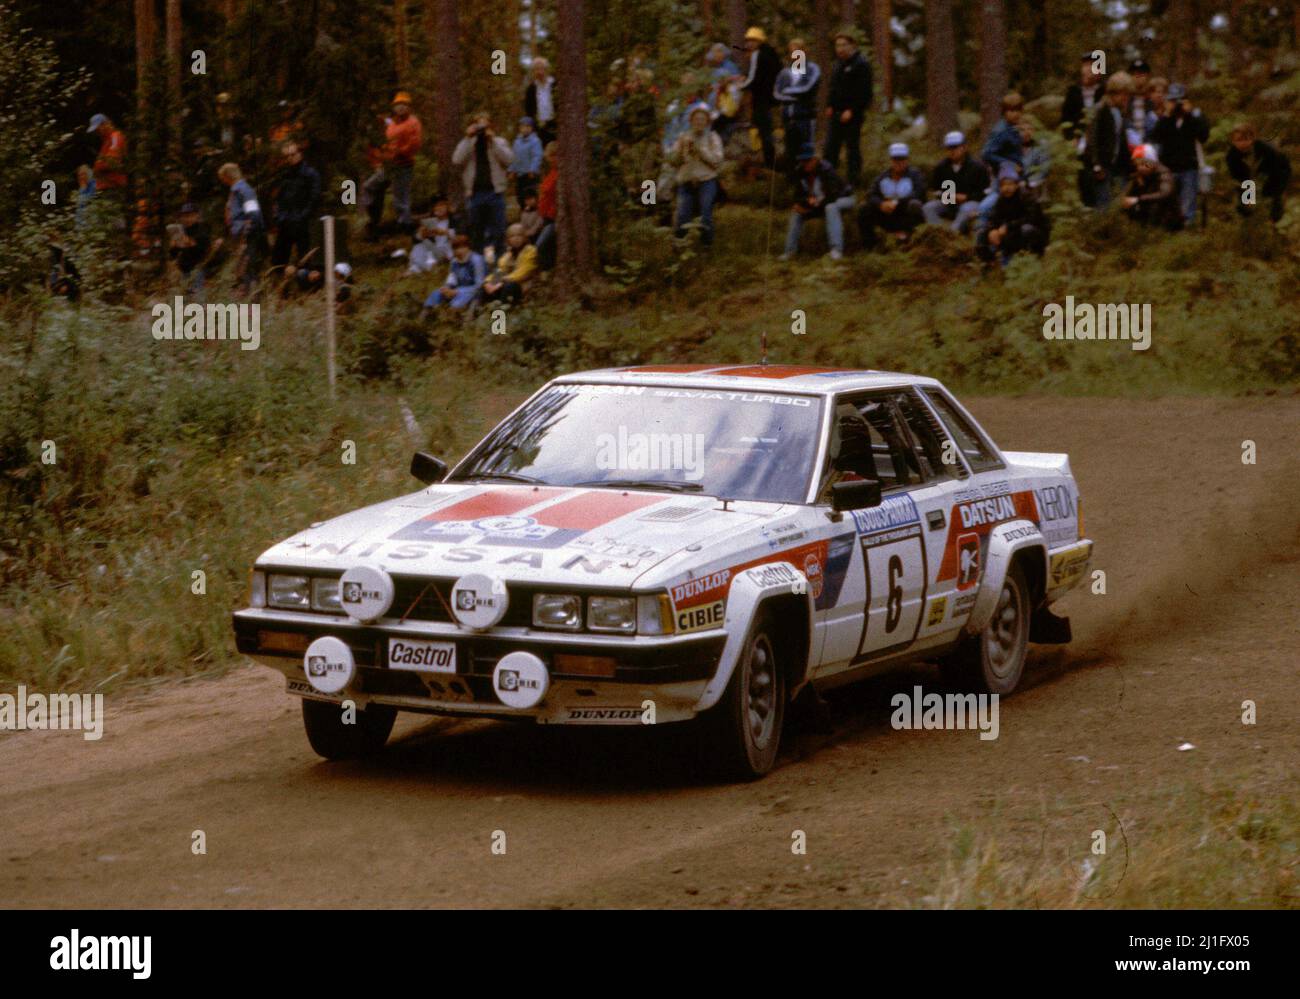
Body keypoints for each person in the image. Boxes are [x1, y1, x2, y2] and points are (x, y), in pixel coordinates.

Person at [452, 110, 514, 257]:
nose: (481, 127)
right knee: (476, 231)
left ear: (489, 125)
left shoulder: (498, 141)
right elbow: (457, 160)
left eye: (484, 123)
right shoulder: (467, 143)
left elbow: (509, 159)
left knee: (499, 231)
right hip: (475, 194)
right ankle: (479, 263)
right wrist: (468, 138)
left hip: (495, 192)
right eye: (477, 123)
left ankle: (500, 263)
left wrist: (492, 141)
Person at [1149, 83, 1209, 230]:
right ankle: (1167, 228)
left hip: (1189, 166)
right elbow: (1155, 137)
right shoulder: (1166, 119)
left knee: (1188, 201)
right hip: (1169, 167)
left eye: (1179, 101)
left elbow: (1203, 136)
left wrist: (1190, 113)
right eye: (1173, 101)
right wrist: (1166, 114)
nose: (1177, 105)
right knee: (1167, 199)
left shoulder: (1194, 118)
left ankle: (1187, 227)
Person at [363, 92, 423, 234]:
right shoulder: (391, 124)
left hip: (403, 164)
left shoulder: (413, 123)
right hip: (389, 165)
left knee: (400, 198)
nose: (400, 108)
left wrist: (399, 152)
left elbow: (414, 145)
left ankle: (405, 226)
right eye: (398, 105)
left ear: (409, 107)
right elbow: (383, 142)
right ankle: (374, 219)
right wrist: (381, 157)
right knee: (370, 187)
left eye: (403, 105)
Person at [781, 145, 854, 260]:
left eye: (807, 160)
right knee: (797, 213)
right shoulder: (800, 172)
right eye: (802, 161)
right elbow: (797, 196)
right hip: (819, 204)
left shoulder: (827, 169)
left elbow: (832, 196)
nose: (805, 164)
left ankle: (836, 250)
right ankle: (790, 251)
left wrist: (812, 206)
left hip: (843, 198)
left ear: (815, 159)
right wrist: (804, 203)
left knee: (831, 208)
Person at [668, 103, 725, 247]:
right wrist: (681, 150)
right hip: (686, 181)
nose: (699, 122)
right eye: (696, 119)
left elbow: (718, 161)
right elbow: (673, 162)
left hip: (707, 181)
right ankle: (679, 245)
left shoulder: (713, 137)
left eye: (702, 119)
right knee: (682, 215)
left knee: (705, 214)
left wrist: (701, 150)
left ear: (707, 122)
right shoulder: (683, 137)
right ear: (691, 121)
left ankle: (707, 246)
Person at [823, 30, 873, 187]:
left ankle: (853, 181)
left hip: (853, 115)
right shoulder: (838, 64)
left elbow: (864, 92)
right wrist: (829, 105)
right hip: (836, 113)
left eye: (844, 45)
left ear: (852, 45)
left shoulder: (861, 64)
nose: (840, 49)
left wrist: (852, 110)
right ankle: (828, 180)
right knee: (830, 147)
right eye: (838, 45)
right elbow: (833, 88)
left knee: (852, 148)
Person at [977, 164, 1050, 265]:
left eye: (1010, 184)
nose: (1007, 188)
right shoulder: (1001, 200)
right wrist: (992, 229)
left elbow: (1032, 218)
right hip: (1012, 232)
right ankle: (989, 262)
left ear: (1016, 185)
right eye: (1003, 185)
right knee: (982, 233)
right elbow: (993, 217)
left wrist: (1009, 226)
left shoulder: (1026, 197)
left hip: (1032, 232)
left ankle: (1034, 257)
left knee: (1026, 229)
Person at [860, 142, 925, 248]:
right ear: (891, 160)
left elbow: (919, 192)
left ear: (907, 160)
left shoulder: (915, 175)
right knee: (864, 209)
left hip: (906, 216)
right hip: (888, 215)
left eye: (902, 159)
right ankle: (870, 246)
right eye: (896, 159)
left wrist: (897, 203)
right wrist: (881, 204)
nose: (899, 163)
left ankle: (913, 240)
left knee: (915, 205)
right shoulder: (882, 177)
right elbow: (871, 194)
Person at [922, 131, 989, 233]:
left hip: (970, 203)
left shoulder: (978, 167)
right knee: (928, 207)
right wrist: (947, 196)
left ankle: (953, 234)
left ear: (964, 147)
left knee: (966, 208)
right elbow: (936, 190)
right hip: (948, 203)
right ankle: (938, 232)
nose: (952, 151)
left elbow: (985, 193)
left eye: (956, 147)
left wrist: (967, 197)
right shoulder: (941, 167)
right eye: (949, 148)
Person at [1062, 53, 1106, 206]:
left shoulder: (1104, 92)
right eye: (1086, 66)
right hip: (1079, 142)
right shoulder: (1073, 91)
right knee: (1083, 178)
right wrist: (1072, 137)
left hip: (1100, 142)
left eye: (1093, 66)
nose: (1089, 70)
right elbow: (1066, 118)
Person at [1226, 123, 1291, 224]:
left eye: (1246, 139)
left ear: (1252, 139)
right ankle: (1248, 221)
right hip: (1250, 178)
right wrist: (1248, 199)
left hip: (1276, 172)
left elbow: (1280, 172)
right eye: (1238, 140)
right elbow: (1240, 179)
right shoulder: (1232, 156)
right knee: (1245, 202)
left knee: (1273, 197)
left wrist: (1273, 190)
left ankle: (1274, 222)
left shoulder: (1267, 150)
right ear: (1233, 141)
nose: (1242, 144)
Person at [1088, 72, 1134, 210]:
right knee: (1103, 203)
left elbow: (1121, 140)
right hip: (1102, 164)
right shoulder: (1100, 109)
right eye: (1124, 94)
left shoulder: (1120, 112)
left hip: (1117, 165)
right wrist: (1096, 165)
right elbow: (1092, 139)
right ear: (1114, 93)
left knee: (1118, 201)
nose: (1126, 98)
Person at [737, 26, 782, 168]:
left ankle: (769, 161)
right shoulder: (771, 53)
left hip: (761, 98)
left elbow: (753, 77)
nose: (749, 44)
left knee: (763, 129)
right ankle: (769, 157)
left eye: (752, 40)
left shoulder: (757, 54)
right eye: (748, 41)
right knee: (765, 128)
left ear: (759, 41)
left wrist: (741, 86)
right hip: (771, 97)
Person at [773, 38, 822, 169]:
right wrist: (796, 97)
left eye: (798, 50)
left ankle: (810, 184)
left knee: (807, 152)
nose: (795, 54)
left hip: (805, 117)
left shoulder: (813, 68)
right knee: (790, 152)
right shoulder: (785, 73)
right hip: (788, 119)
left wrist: (788, 93)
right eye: (792, 51)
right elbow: (777, 93)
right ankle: (794, 181)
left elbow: (808, 88)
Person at [270, 141, 320, 267]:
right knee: (277, 261)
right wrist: (279, 217)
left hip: (303, 224)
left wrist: (302, 217)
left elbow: (314, 199)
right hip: (285, 222)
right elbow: (278, 198)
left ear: (300, 154)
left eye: (293, 154)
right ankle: (278, 283)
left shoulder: (310, 174)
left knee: (306, 261)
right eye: (287, 156)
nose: (290, 158)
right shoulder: (285, 175)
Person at [218, 162, 265, 296]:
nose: (223, 181)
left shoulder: (244, 190)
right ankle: (247, 298)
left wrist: (247, 232)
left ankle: (253, 301)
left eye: (223, 178)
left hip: (247, 235)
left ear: (228, 176)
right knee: (242, 269)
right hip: (239, 234)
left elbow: (254, 213)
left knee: (248, 267)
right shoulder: (235, 191)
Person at [422, 234, 485, 314]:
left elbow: (479, 285)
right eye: (455, 248)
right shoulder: (454, 262)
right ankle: (425, 314)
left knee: (457, 304)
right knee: (436, 294)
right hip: (456, 290)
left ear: (467, 248)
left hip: (472, 291)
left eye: (461, 248)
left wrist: (458, 291)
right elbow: (452, 279)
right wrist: (446, 288)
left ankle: (451, 315)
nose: (458, 251)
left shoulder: (476, 260)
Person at [1122, 145, 1181, 230]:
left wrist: (1138, 199)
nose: (1140, 168)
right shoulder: (1140, 176)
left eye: (1144, 164)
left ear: (1153, 162)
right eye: (1137, 165)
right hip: (1151, 218)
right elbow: (1129, 197)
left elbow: (1164, 194)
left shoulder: (1164, 173)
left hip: (1168, 220)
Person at [481, 224, 538, 305]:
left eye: (519, 235)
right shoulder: (508, 254)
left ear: (524, 237)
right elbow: (500, 270)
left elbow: (523, 273)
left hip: (524, 287)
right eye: (512, 236)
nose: (516, 239)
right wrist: (488, 282)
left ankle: (502, 315)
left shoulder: (531, 251)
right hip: (506, 284)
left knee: (510, 286)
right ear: (508, 240)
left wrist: (503, 281)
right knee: (485, 287)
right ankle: (488, 312)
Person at [169, 201, 213, 297]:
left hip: (198, 270)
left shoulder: (202, 229)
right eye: (184, 216)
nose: (186, 219)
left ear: (196, 215)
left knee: (198, 300)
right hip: (184, 270)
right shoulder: (181, 230)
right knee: (184, 300)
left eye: (189, 215)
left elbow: (203, 249)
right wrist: (174, 246)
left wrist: (189, 242)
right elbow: (173, 254)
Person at [409, 195, 456, 273]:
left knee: (421, 246)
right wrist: (422, 234)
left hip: (447, 253)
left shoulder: (454, 220)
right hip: (435, 251)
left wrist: (445, 232)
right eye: (436, 206)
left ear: (447, 206)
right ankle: (418, 267)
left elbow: (460, 237)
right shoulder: (431, 222)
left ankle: (417, 268)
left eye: (441, 205)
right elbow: (416, 239)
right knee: (418, 245)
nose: (438, 208)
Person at [87, 114, 127, 201]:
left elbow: (112, 162)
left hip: (113, 188)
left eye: (97, 129)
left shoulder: (115, 137)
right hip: (105, 189)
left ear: (105, 124)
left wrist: (98, 165)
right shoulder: (106, 141)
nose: (96, 132)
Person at [524, 57, 558, 145]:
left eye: (541, 69)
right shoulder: (531, 89)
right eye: (536, 69)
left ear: (546, 70)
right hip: (539, 127)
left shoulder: (555, 85)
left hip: (556, 125)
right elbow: (528, 110)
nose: (539, 72)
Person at [510, 117, 544, 205]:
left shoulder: (535, 141)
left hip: (530, 175)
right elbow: (514, 157)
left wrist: (533, 169)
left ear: (531, 128)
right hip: (520, 174)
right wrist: (512, 170)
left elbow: (537, 156)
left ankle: (534, 216)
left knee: (531, 198)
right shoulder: (517, 142)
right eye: (522, 127)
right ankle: (524, 215)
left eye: (527, 126)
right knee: (521, 197)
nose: (525, 129)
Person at [535, 142, 559, 270]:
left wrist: (553, 215)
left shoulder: (561, 175)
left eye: (553, 156)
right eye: (550, 157)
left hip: (553, 218)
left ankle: (546, 270)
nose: (551, 160)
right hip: (545, 217)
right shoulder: (551, 173)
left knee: (541, 244)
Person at [1020, 121, 1051, 198]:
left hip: (1035, 183)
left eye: (1029, 129)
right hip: (1015, 183)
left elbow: (1045, 168)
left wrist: (1028, 182)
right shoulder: (1013, 146)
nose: (1026, 132)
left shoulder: (1041, 145)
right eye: (1022, 130)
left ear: (1034, 131)